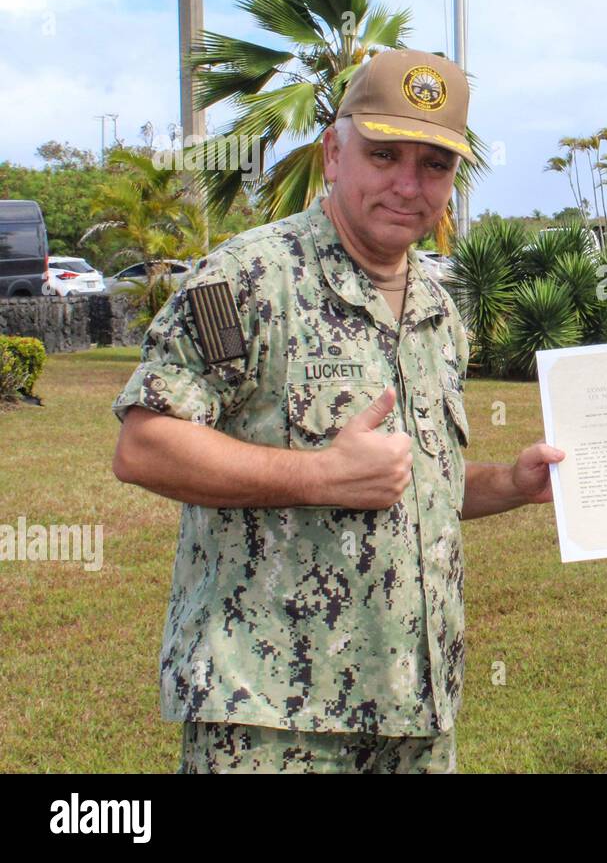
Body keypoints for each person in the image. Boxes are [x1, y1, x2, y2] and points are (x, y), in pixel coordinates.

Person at [111, 49, 563, 774]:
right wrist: (319, 475)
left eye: (435, 166)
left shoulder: (439, 310)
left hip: (415, 709)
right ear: (333, 152)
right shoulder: (249, 278)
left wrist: (511, 482)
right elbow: (145, 445)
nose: (409, 185)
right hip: (272, 719)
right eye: (384, 155)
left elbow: (408, 484)